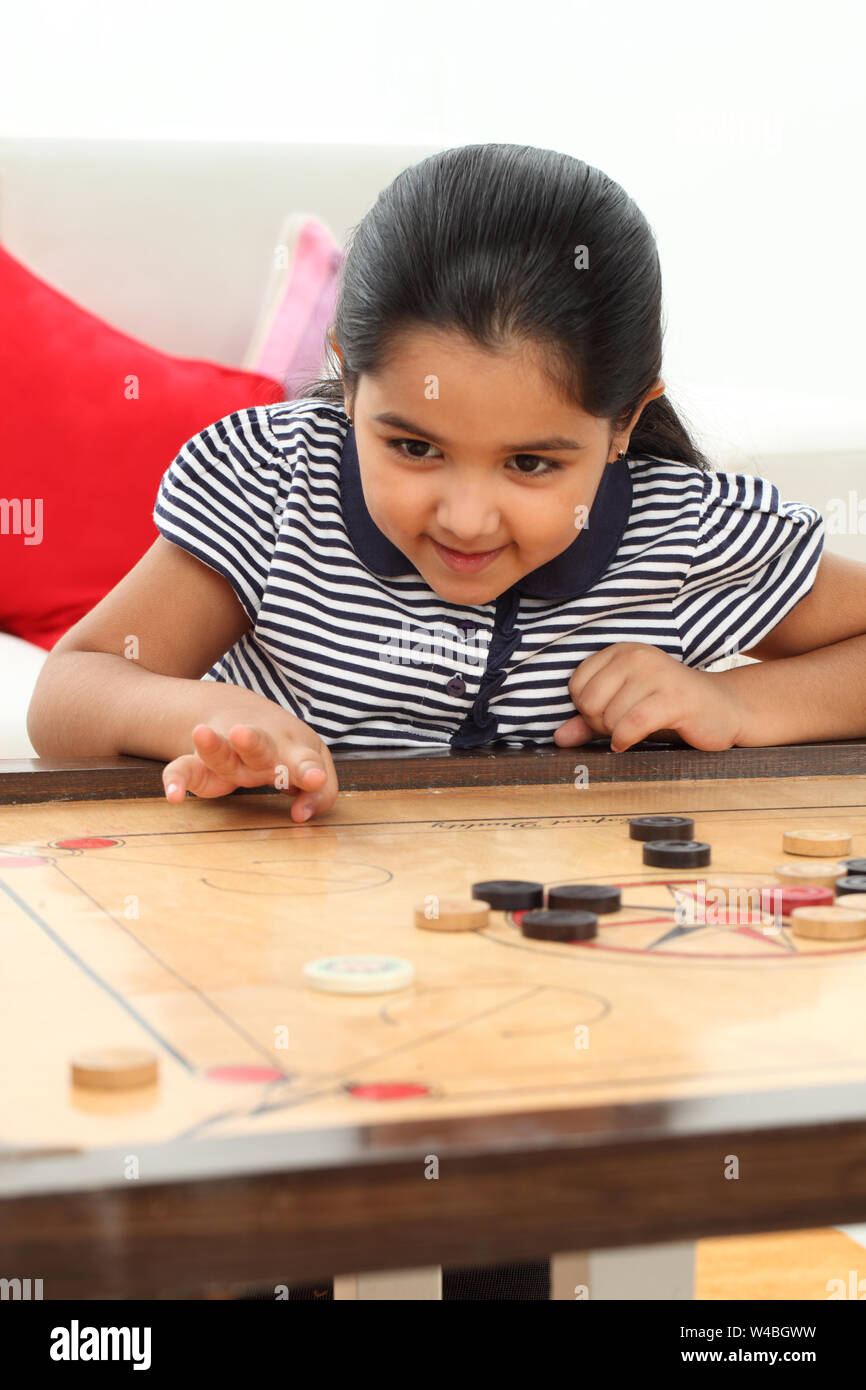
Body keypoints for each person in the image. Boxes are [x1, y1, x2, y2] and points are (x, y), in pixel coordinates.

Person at [27, 144, 866, 825]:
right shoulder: (273, 486)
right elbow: (74, 687)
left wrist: (738, 704)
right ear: (349, 385)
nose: (466, 519)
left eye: (531, 465)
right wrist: (223, 725)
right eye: (415, 448)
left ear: (621, 426)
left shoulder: (679, 533)